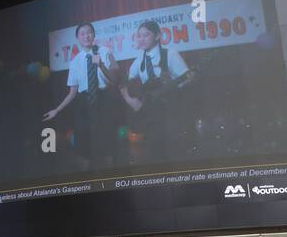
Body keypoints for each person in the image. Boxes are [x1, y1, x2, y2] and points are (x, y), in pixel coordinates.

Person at [43, 22, 118, 168]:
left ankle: (110, 169)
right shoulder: (75, 61)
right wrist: (57, 110)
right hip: (84, 101)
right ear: (78, 37)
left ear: (94, 35)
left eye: (89, 32)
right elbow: (72, 93)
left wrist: (101, 65)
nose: (86, 36)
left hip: (104, 97)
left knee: (106, 134)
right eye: (82, 33)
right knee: (83, 136)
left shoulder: (105, 51)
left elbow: (115, 80)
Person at [121, 19, 192, 162]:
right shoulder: (139, 58)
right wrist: (131, 101)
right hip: (149, 115)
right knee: (154, 154)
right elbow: (124, 82)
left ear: (158, 36)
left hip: (171, 111)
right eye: (139, 36)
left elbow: (188, 78)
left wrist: (173, 88)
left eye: (146, 35)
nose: (142, 39)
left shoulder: (170, 54)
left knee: (174, 153)